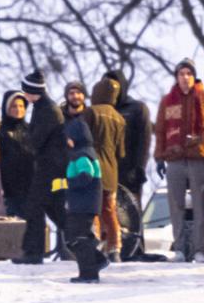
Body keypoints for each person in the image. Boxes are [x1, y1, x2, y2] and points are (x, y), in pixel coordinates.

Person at [153, 58, 204, 263]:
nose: (185, 77)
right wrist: (159, 158)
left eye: (189, 73)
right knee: (175, 205)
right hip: (174, 158)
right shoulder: (167, 101)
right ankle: (180, 249)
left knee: (199, 205)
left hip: (198, 158)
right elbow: (160, 131)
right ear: (176, 77)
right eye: (181, 73)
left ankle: (199, 251)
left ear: (194, 76)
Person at [14, 69, 66, 264]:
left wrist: (24, 141)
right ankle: (85, 242)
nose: (24, 95)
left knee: (35, 207)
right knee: (53, 209)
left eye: (25, 91)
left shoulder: (47, 110)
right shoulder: (42, 107)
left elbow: (36, 140)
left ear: (33, 91)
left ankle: (33, 253)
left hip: (50, 168)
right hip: (49, 167)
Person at [62, 111, 105, 283]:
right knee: (79, 235)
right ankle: (97, 261)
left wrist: (67, 183)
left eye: (69, 137)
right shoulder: (86, 152)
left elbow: (86, 175)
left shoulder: (81, 155)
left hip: (83, 204)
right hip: (85, 203)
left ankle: (89, 273)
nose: (67, 140)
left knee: (78, 237)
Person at [88, 77, 127, 261]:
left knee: (91, 209)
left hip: (92, 167)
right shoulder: (119, 118)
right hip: (112, 169)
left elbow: (83, 140)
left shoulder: (91, 112)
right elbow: (121, 152)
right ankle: (115, 247)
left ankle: (94, 244)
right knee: (109, 209)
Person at [102, 69, 153, 209]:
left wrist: (139, 169)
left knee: (130, 219)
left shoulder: (137, 109)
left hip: (129, 173)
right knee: (108, 222)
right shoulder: (98, 112)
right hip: (105, 175)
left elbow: (145, 142)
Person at [0, 90, 33, 219]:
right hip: (9, 192)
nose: (18, 109)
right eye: (14, 106)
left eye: (21, 106)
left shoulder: (32, 129)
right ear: (6, 108)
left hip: (31, 190)